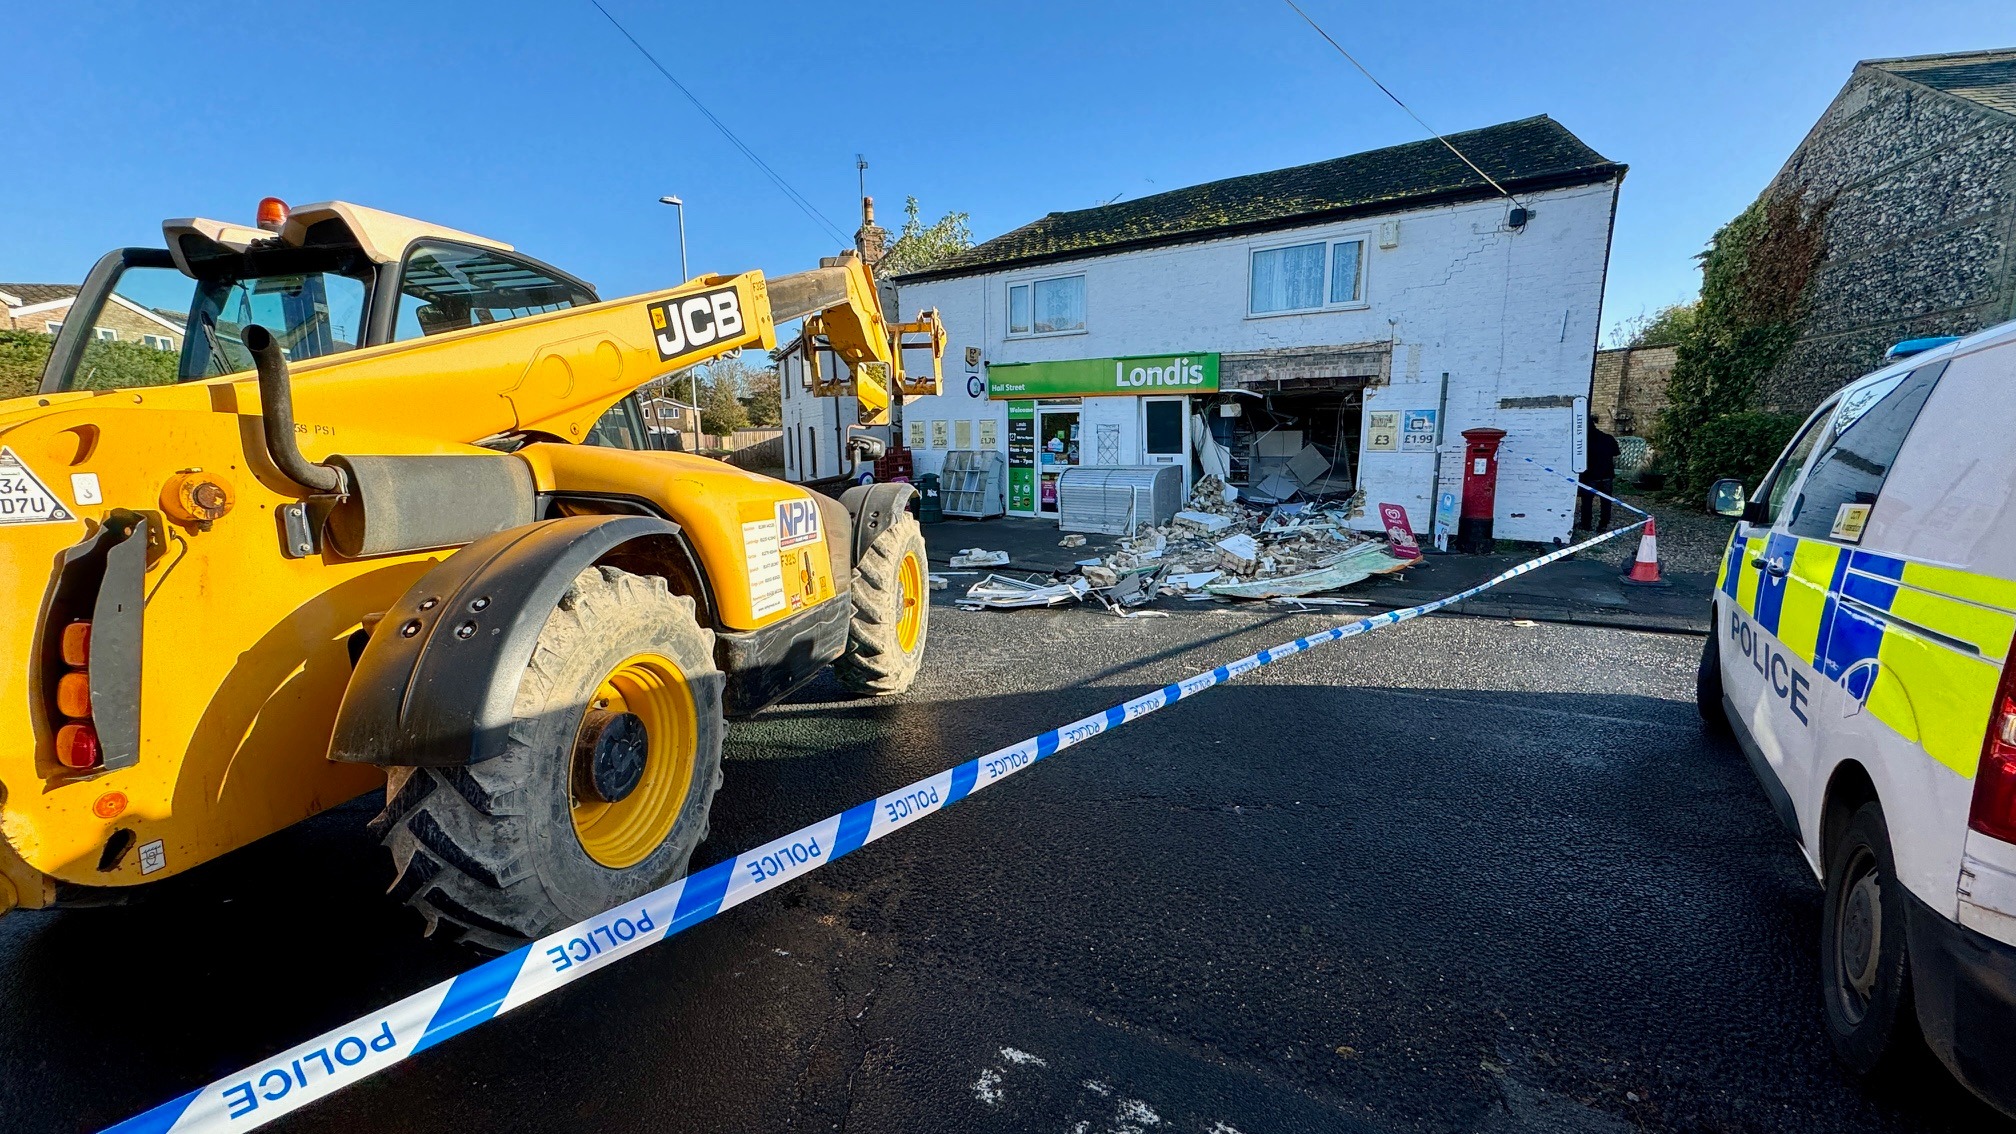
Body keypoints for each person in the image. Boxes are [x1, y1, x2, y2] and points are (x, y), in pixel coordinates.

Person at [1579, 420, 1621, 531]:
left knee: (1587, 501)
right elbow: (1616, 452)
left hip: (1590, 475)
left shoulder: (1584, 441)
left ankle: (1586, 524)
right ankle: (1603, 525)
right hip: (1607, 474)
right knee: (1606, 502)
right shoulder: (1608, 438)